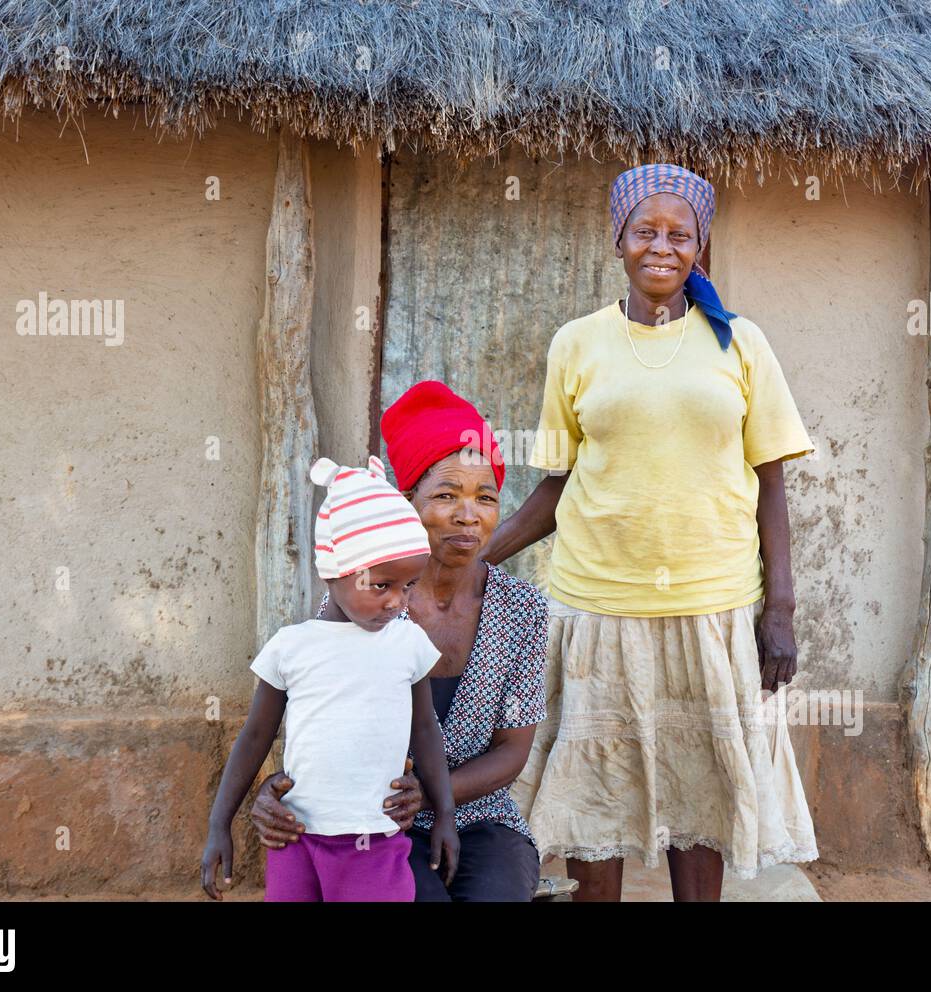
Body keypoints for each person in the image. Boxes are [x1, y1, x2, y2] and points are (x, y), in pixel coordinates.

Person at [484, 163, 820, 901]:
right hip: (596, 606)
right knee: (594, 793)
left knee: (699, 795)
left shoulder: (741, 344)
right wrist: (474, 560)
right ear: (618, 241)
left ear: (701, 246)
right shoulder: (577, 344)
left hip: (712, 604)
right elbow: (556, 484)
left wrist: (781, 610)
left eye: (679, 234)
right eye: (646, 231)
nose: (661, 247)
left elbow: (771, 483)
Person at [249, 381, 548, 901]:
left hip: (479, 816)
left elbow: (512, 752)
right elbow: (316, 725)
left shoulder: (522, 608)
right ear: (407, 503)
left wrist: (436, 797)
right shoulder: (365, 604)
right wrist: (272, 791)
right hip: (371, 818)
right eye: (445, 495)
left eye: (486, 497)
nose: (467, 515)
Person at [200, 454, 459, 901]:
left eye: (409, 585)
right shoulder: (292, 647)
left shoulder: (407, 643)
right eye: (382, 585)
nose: (398, 600)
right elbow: (256, 734)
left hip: (375, 840)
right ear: (334, 571)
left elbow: (424, 729)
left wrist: (446, 816)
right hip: (294, 838)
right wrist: (219, 823)